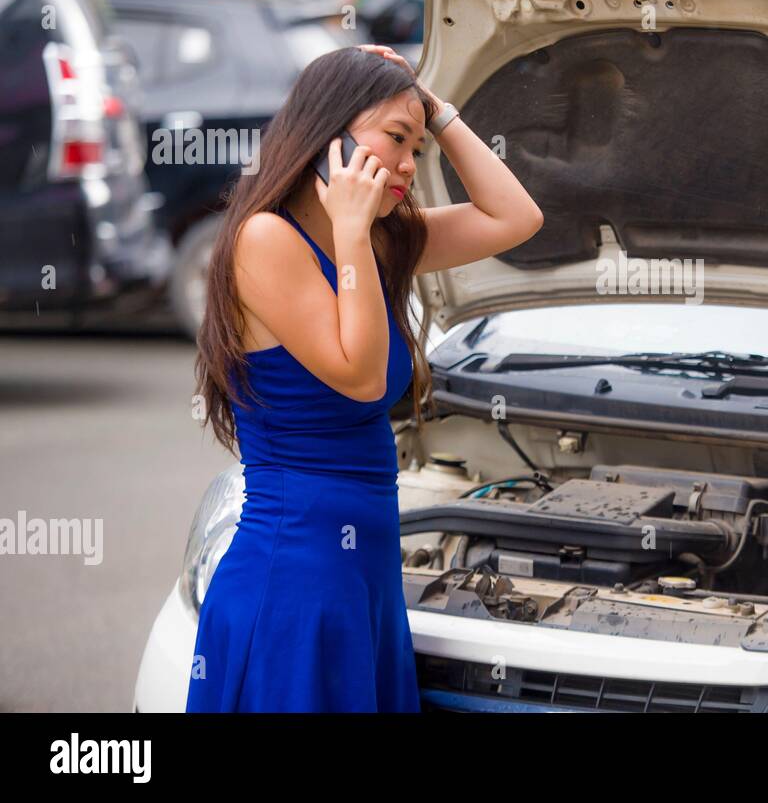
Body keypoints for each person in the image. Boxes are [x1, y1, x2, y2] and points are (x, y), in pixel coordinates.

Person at [186, 44, 543, 711]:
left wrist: (437, 112)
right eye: (396, 140)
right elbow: (359, 374)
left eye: (418, 146)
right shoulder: (265, 239)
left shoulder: (377, 238)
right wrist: (352, 233)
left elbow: (516, 218)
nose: (410, 164)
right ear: (329, 136)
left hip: (363, 573)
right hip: (294, 580)